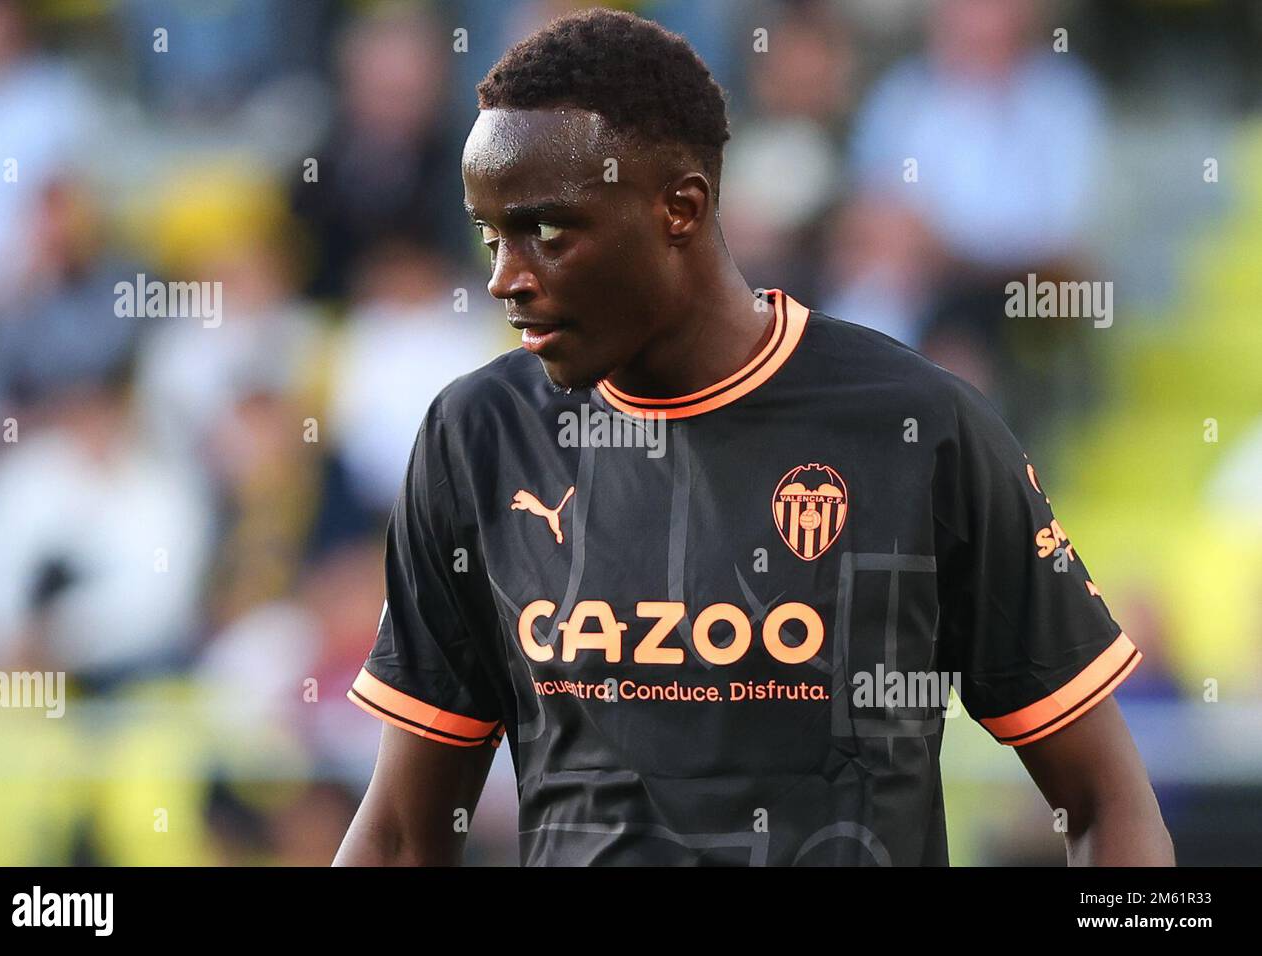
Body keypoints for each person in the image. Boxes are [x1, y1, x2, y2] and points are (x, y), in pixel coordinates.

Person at [334, 8, 1172, 866]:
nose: (505, 278)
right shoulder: (478, 438)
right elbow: (402, 832)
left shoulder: (920, 430)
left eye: (545, 232)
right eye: (489, 235)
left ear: (680, 209)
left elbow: (1105, 802)